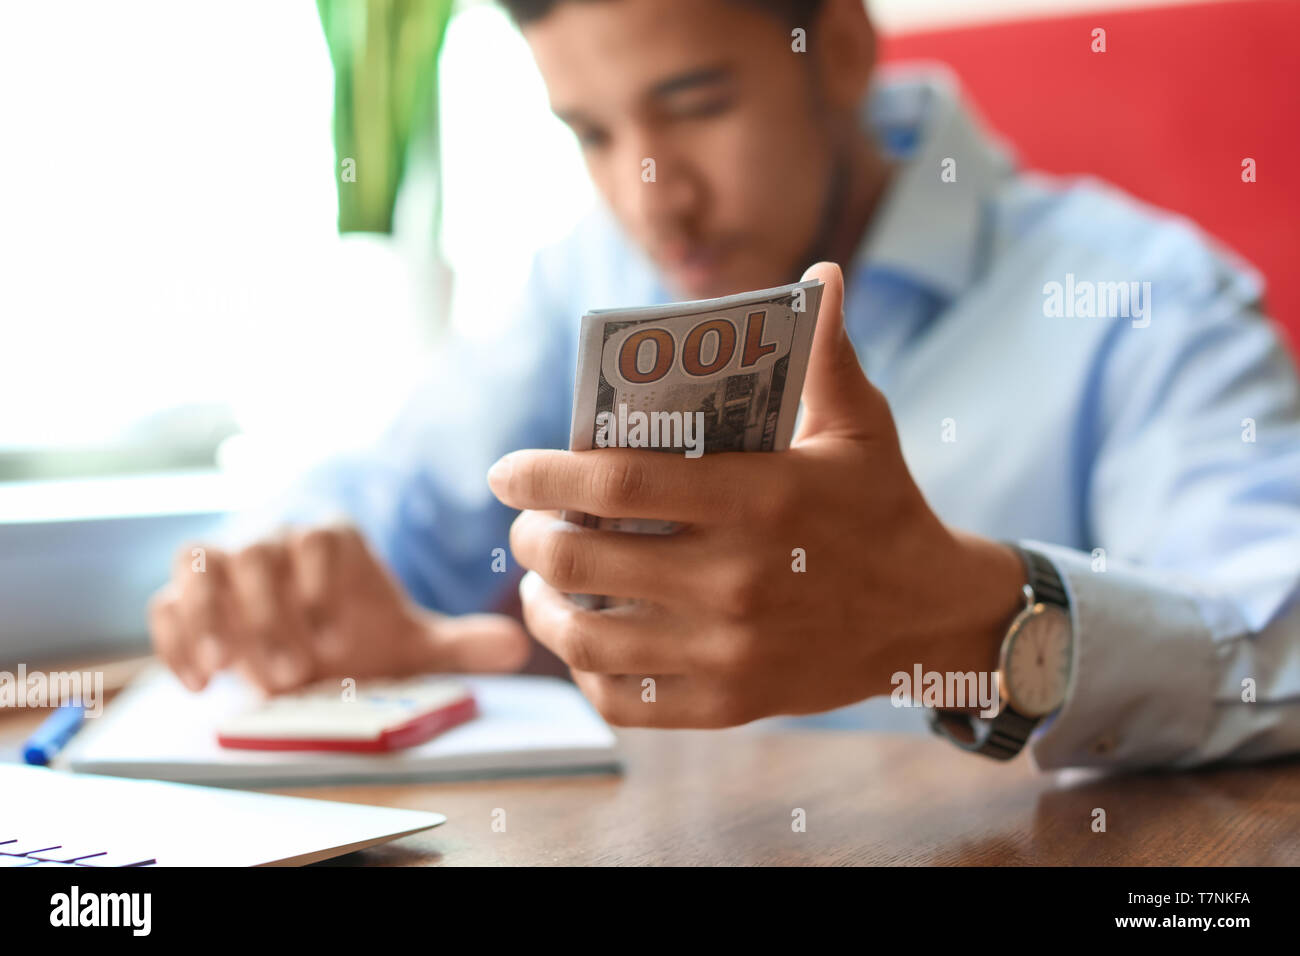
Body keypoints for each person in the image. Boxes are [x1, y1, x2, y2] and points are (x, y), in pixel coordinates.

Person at [148, 0, 1300, 771]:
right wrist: (280, 577)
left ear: (840, 48)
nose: (652, 199)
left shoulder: (1151, 301)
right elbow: (379, 495)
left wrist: (980, 619)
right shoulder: (587, 278)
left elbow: (1281, 651)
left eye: (696, 105)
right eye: (591, 133)